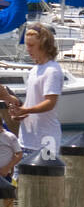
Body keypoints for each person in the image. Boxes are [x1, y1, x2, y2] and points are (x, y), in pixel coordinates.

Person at [0, 23, 64, 156]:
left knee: (45, 177)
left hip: (46, 139)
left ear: (44, 45)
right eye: (27, 45)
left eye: (31, 45)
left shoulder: (52, 70)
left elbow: (50, 103)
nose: (27, 49)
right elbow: (33, 102)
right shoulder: (34, 70)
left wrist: (26, 110)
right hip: (26, 139)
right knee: (21, 177)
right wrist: (20, 112)